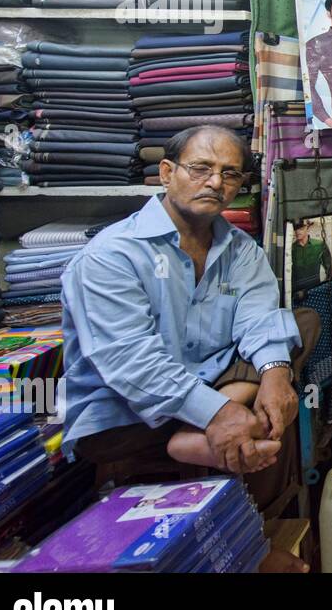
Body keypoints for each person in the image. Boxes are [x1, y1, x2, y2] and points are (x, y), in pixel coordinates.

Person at [62, 126, 303, 476]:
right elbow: (131, 363)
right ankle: (214, 425)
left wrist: (276, 377)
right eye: (200, 168)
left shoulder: (241, 251)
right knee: (263, 386)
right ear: (166, 173)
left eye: (230, 173)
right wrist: (220, 411)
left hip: (212, 384)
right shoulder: (111, 256)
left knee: (298, 324)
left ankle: (199, 434)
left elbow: (260, 319)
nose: (216, 183)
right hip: (129, 415)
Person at [290, 218, 331, 291]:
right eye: (295, 228)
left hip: (315, 289)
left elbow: (329, 269)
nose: (297, 231)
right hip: (297, 292)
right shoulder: (291, 249)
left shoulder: (319, 245)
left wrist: (324, 287)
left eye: (301, 228)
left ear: (307, 228)